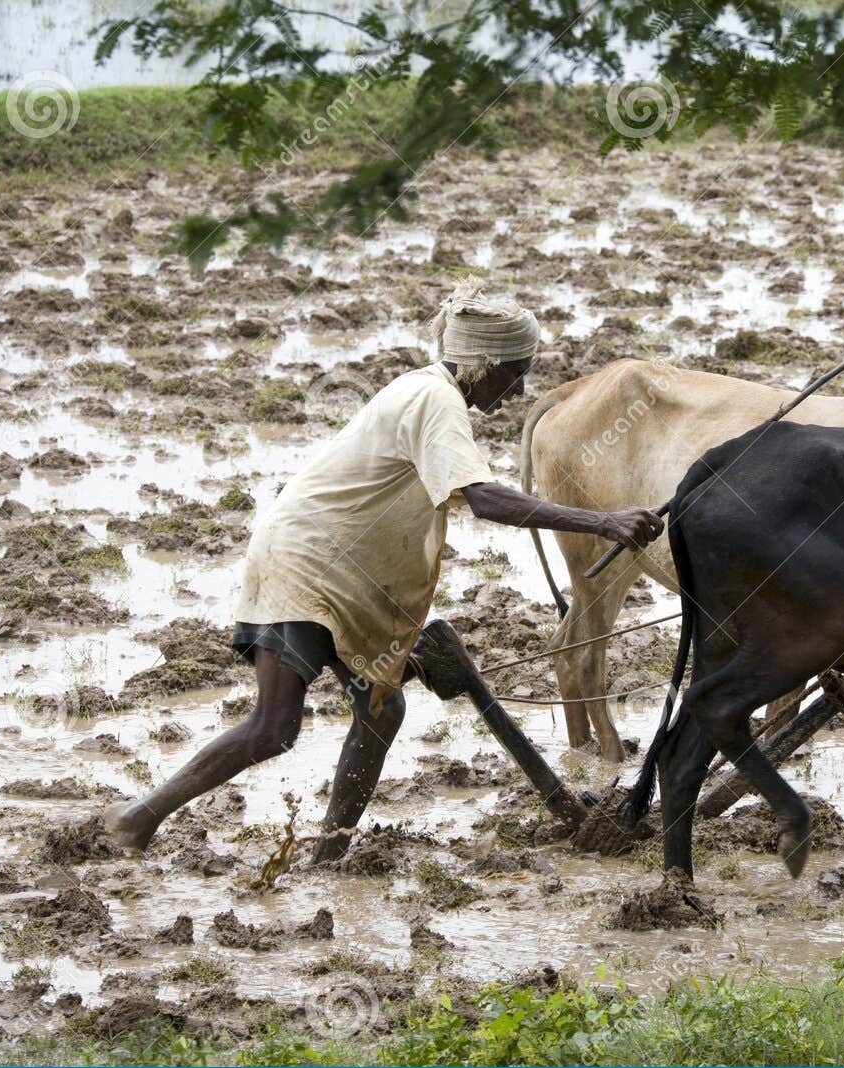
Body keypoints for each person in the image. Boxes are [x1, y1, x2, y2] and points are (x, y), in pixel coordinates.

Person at [102, 282, 664, 861]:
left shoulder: (428, 396)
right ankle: (138, 818)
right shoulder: (434, 400)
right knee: (273, 727)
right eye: (514, 372)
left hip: (345, 578)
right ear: (483, 363)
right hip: (307, 568)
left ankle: (330, 851)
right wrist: (604, 522)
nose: (519, 388)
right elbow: (484, 499)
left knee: (382, 709)